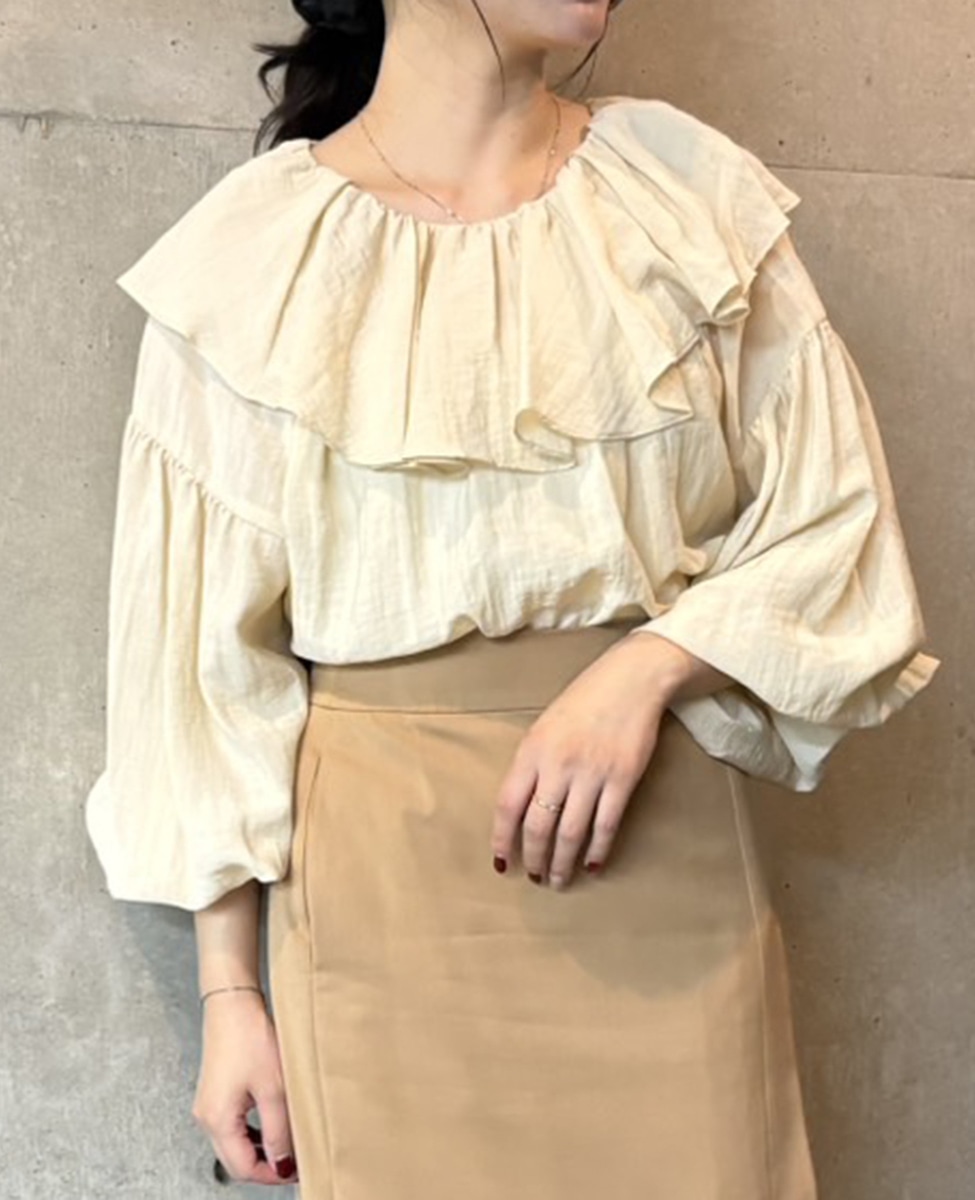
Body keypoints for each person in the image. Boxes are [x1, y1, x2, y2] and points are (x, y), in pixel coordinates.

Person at [84, 1, 941, 1196]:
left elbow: (836, 520)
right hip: (383, 910)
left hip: (664, 874)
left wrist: (648, 668)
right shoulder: (256, 255)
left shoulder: (679, 196)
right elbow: (199, 672)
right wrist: (231, 994)